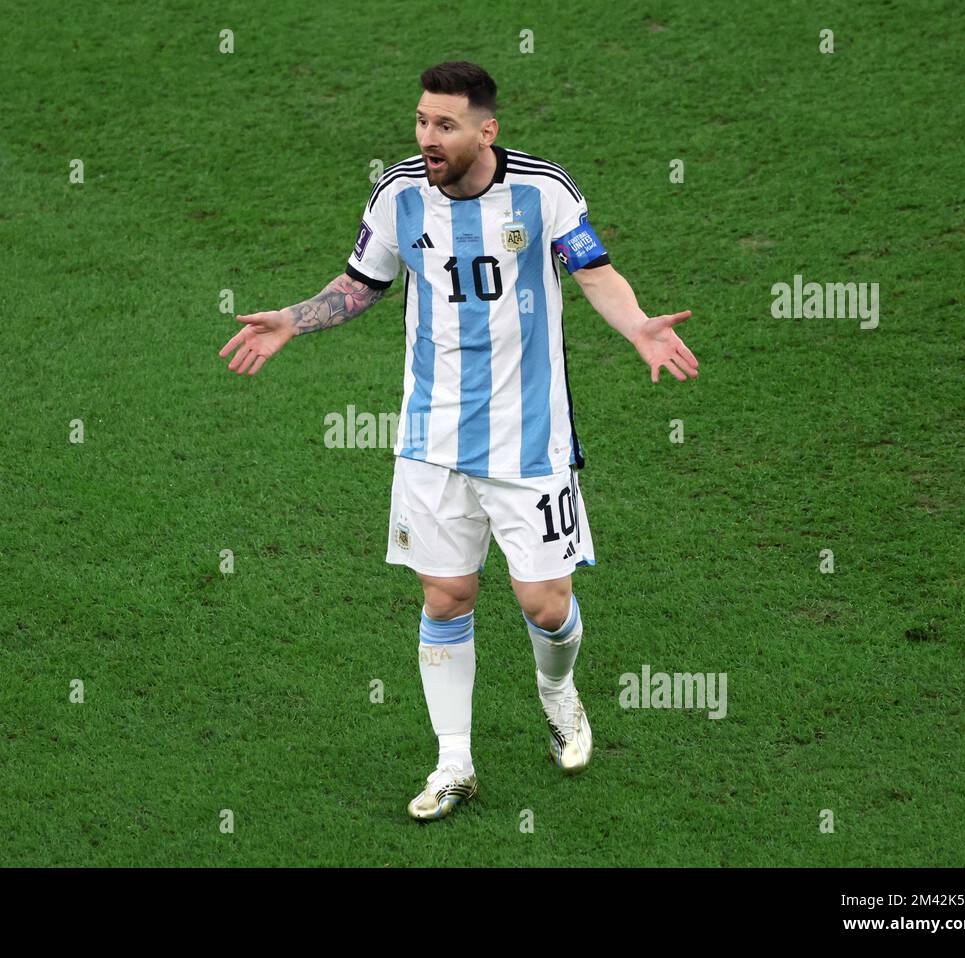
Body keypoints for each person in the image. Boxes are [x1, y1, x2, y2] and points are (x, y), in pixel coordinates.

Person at [220, 61, 698, 821]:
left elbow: (594, 271)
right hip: (431, 437)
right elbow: (361, 284)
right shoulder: (399, 194)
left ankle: (557, 693)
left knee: (545, 605)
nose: (427, 139)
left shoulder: (543, 191)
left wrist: (638, 325)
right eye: (420, 122)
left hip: (529, 442)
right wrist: (293, 317)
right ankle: (454, 763)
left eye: (444, 126)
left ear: (486, 130)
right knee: (446, 594)